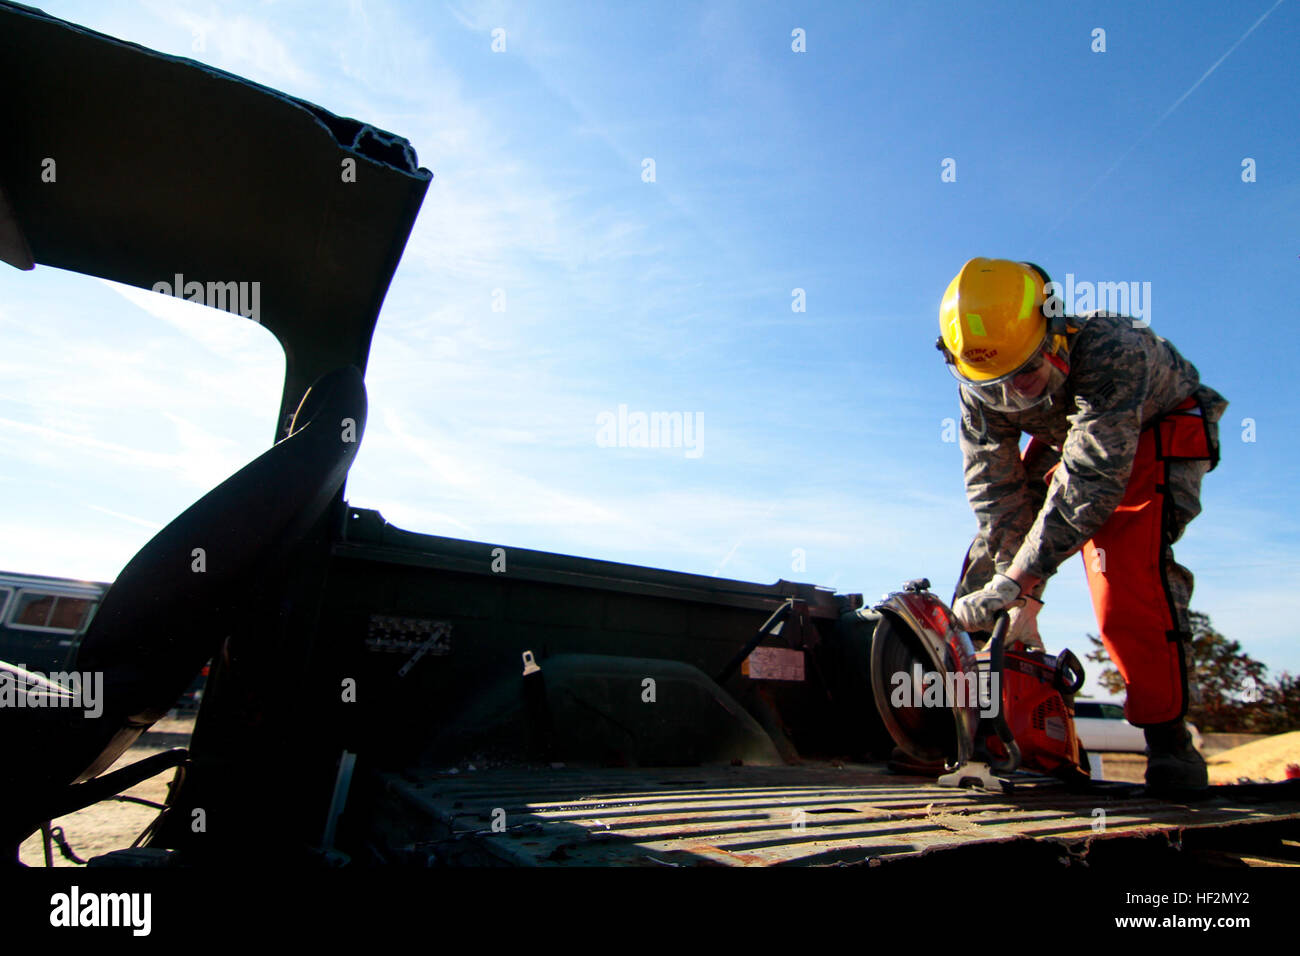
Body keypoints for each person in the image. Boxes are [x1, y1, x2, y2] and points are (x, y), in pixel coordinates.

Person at [936, 257, 1227, 791]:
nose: (1013, 394)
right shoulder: (983, 381)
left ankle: (1169, 743)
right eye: (994, 386)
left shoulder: (1114, 347)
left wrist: (1023, 579)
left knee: (1124, 568)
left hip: (1152, 423)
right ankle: (968, 723)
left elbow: (1092, 481)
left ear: (1055, 336)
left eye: (1026, 373)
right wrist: (1010, 583)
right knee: (993, 553)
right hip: (1068, 433)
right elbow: (994, 487)